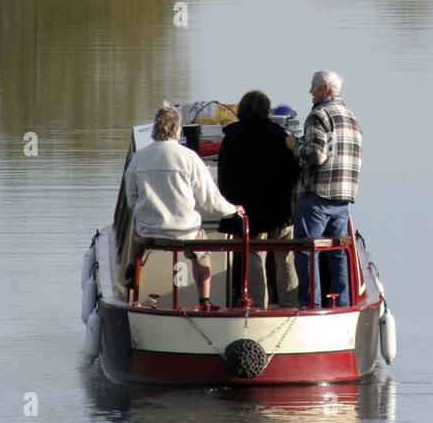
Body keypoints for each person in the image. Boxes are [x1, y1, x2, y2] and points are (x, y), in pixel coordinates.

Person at [125, 101, 243, 312]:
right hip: (185, 231)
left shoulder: (139, 158)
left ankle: (132, 272)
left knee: (136, 229)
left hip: (149, 231)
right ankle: (204, 301)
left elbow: (132, 200)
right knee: (202, 255)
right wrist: (234, 209)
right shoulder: (189, 158)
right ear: (178, 129)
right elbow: (211, 202)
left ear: (155, 128)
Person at [217, 90, 301, 307]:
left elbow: (225, 179)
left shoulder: (232, 138)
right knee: (286, 258)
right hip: (281, 211)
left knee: (254, 257)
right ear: (267, 112)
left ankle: (256, 307)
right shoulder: (280, 136)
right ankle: (291, 304)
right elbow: (294, 173)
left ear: (241, 111)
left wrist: (234, 204)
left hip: (248, 213)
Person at [286, 70, 362, 308]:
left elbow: (317, 155)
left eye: (313, 87)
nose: (310, 91)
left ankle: (311, 306)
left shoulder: (318, 115)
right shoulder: (351, 117)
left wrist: (293, 146)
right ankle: (342, 305)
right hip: (343, 197)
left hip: (318, 195)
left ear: (325, 89)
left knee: (307, 252)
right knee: (338, 252)